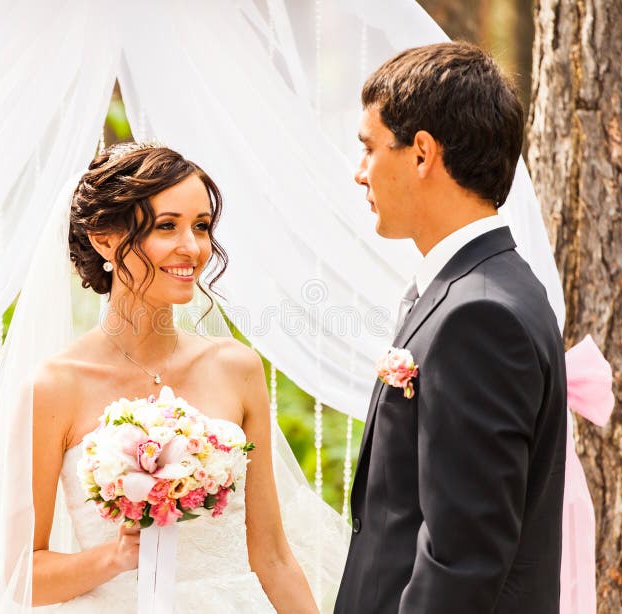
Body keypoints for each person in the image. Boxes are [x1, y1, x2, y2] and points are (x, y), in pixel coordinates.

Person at [29, 143, 321, 612]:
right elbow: (24, 576)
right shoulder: (56, 386)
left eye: (202, 227)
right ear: (105, 238)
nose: (194, 248)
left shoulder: (237, 368)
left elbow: (272, 556)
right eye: (168, 226)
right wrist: (115, 557)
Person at [334, 42, 567, 614]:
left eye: (368, 149)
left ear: (421, 154)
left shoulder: (479, 315)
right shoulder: (482, 286)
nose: (359, 173)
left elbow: (462, 561)